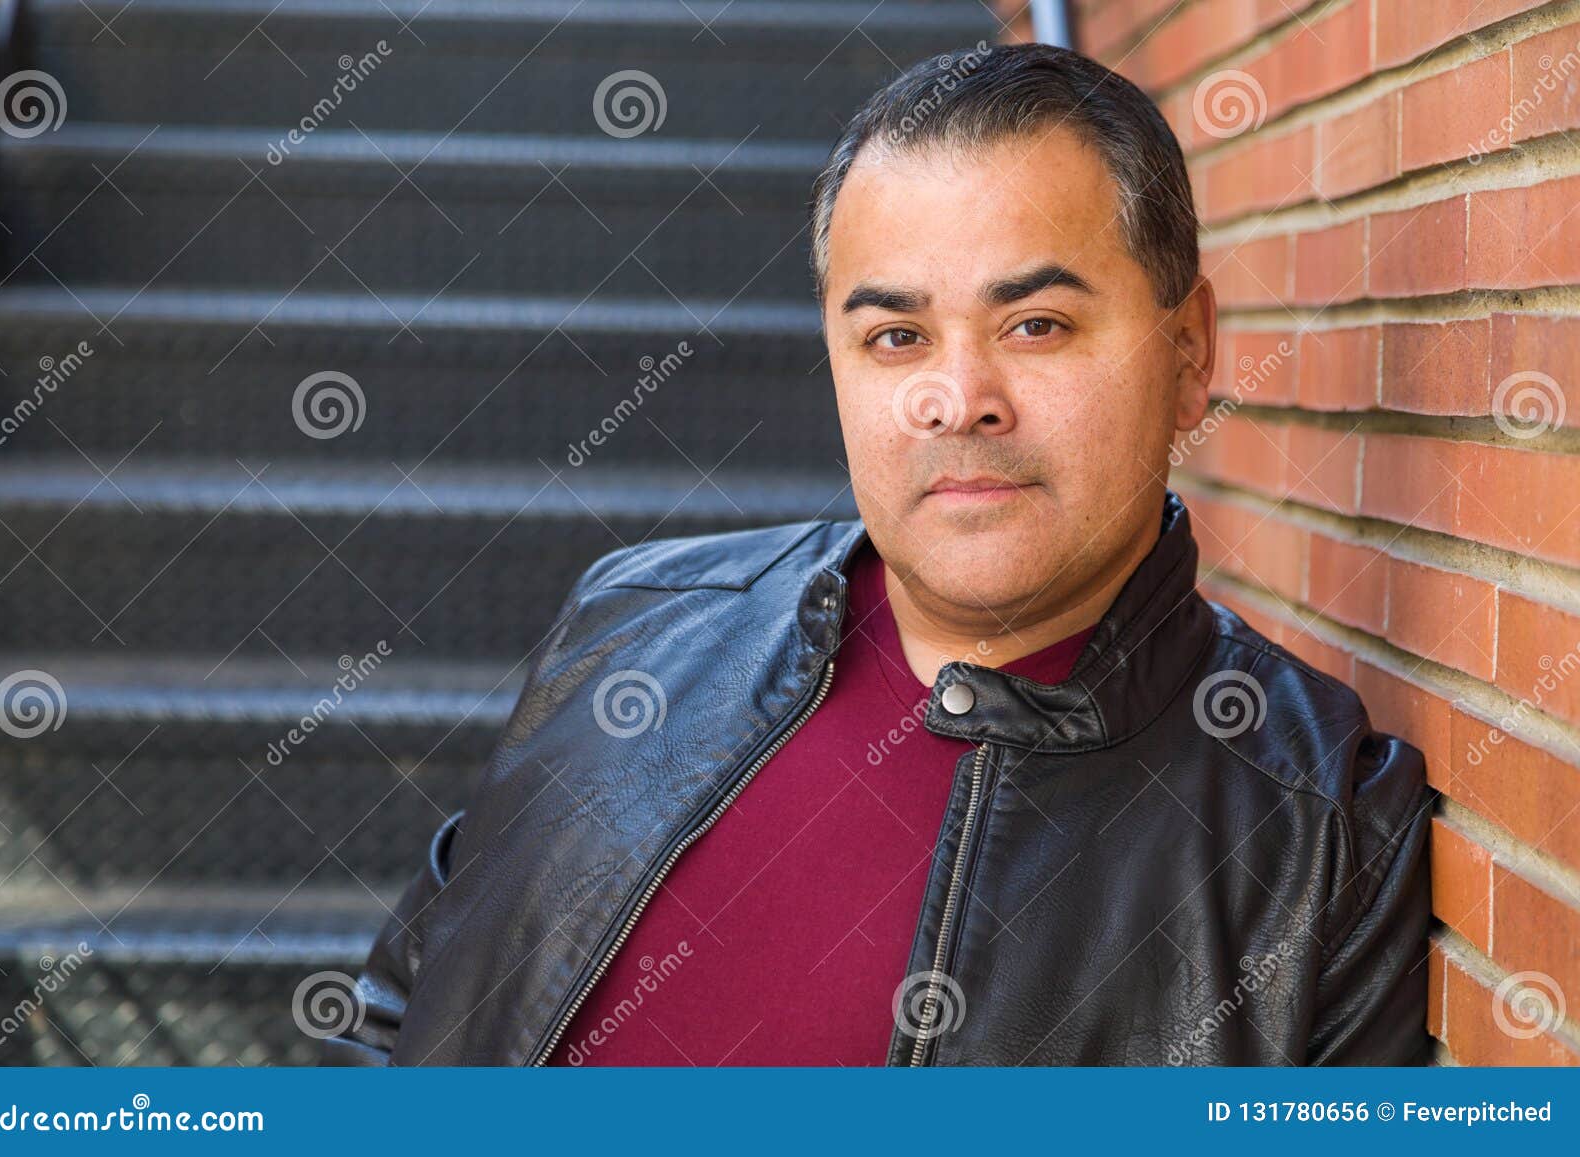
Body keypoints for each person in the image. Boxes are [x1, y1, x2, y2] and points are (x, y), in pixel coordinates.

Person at [323, 42, 1433, 1067]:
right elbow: (395, 1014)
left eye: (1035, 324)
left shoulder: (1313, 827)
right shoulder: (637, 619)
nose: (960, 401)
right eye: (895, 337)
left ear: (1188, 353)